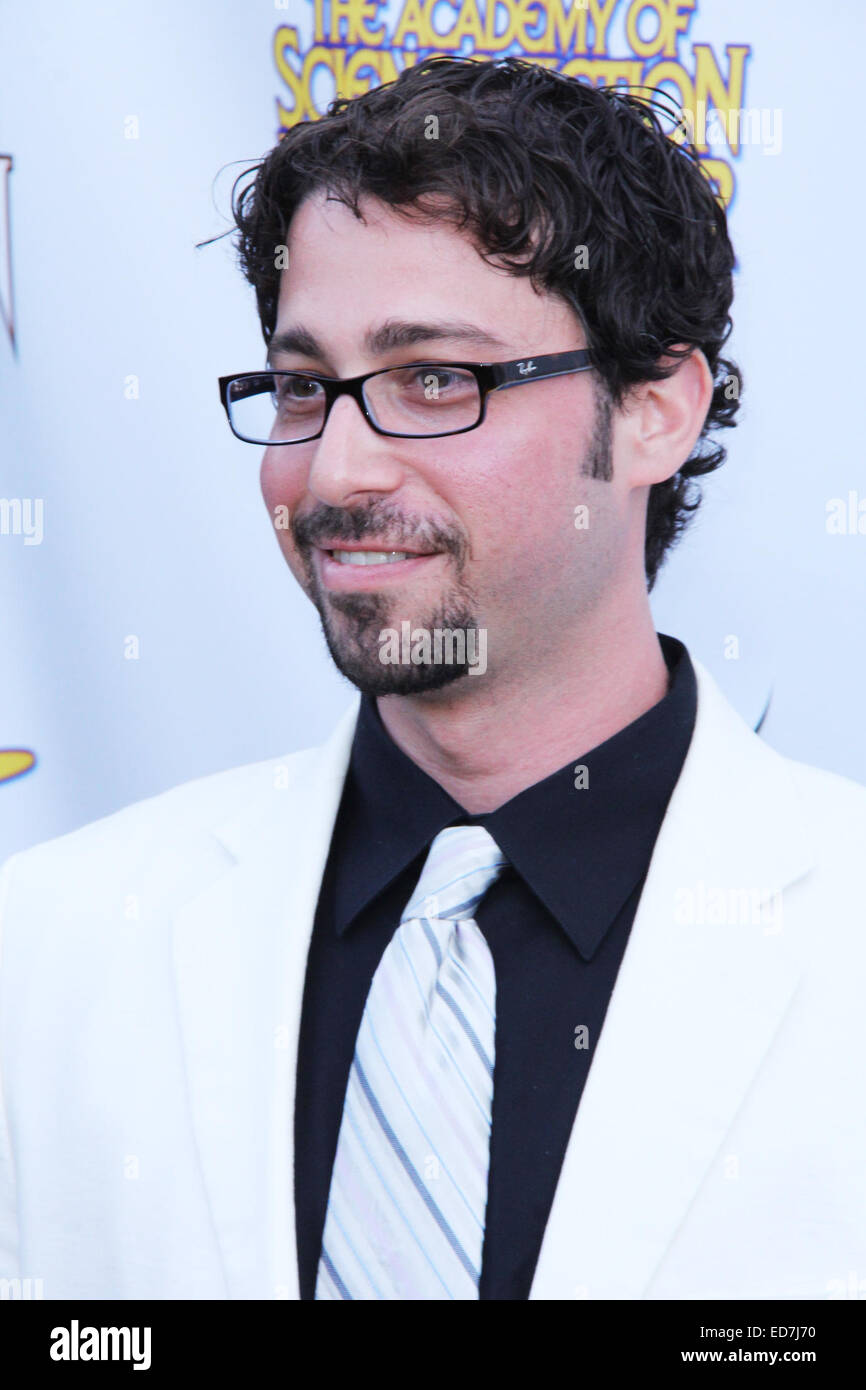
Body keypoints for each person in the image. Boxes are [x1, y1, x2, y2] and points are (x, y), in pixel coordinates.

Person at [1, 55, 864, 1302]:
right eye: (305, 388)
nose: (336, 468)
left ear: (654, 413)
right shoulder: (55, 949)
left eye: (434, 380)